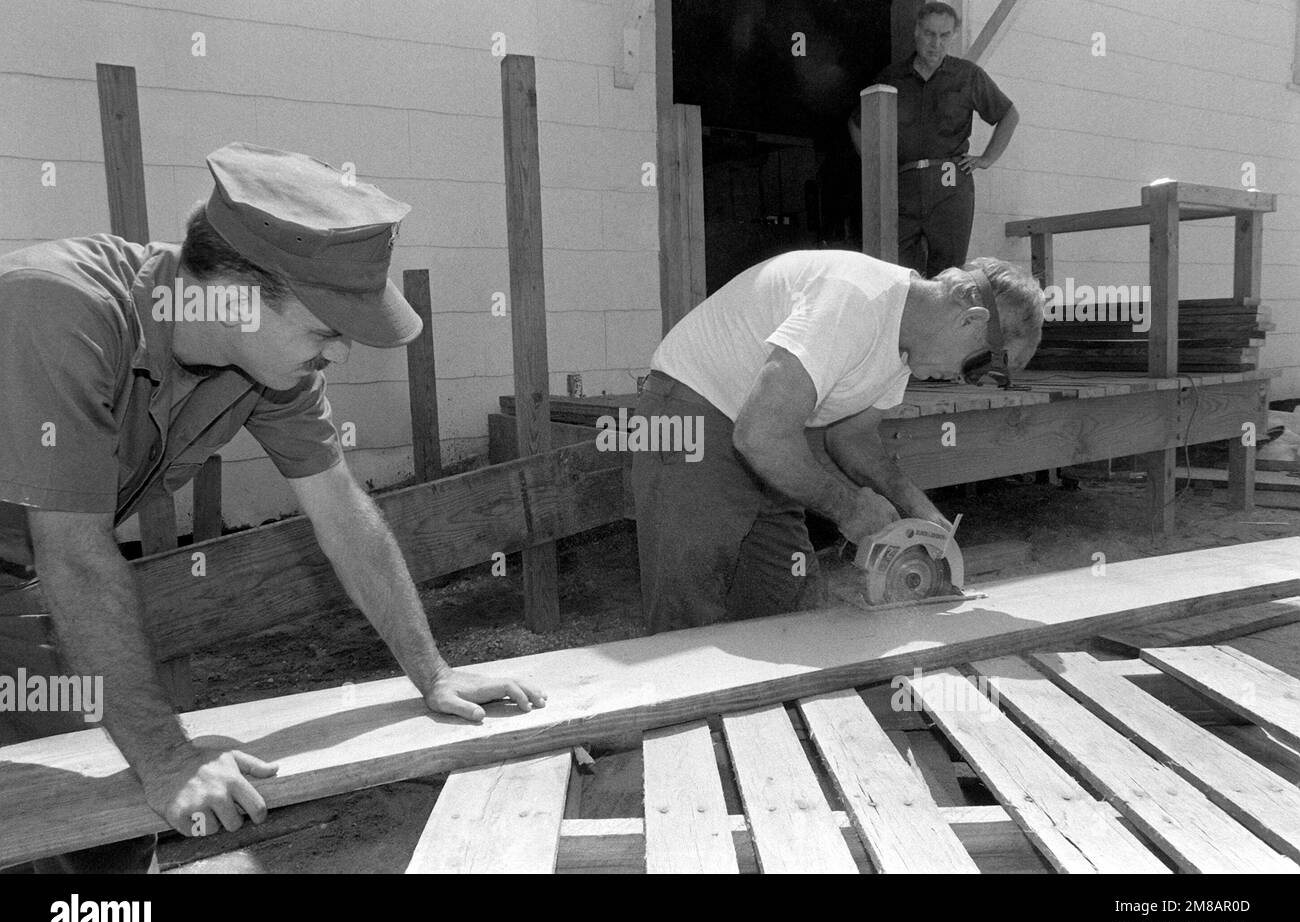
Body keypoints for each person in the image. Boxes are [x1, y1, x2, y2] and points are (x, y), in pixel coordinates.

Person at [0, 143, 545, 873]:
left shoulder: (270, 368)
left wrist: (434, 672)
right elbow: (74, 553)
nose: (340, 355)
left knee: (98, 839)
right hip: (47, 558)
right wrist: (168, 760)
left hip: (18, 571)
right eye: (326, 329)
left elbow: (343, 517)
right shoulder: (57, 308)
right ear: (236, 289)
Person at [632, 249, 1043, 634]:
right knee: (687, 620)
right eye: (978, 366)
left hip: (764, 433)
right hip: (693, 420)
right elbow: (760, 436)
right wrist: (848, 506)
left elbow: (853, 438)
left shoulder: (907, 345)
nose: (962, 378)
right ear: (969, 319)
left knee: (790, 603)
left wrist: (919, 509)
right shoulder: (856, 301)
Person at [849, 2, 1019, 277]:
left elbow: (1009, 114)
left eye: (944, 36)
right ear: (916, 31)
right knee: (897, 274)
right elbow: (857, 124)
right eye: (929, 34)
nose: (936, 43)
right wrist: (876, 167)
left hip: (950, 186)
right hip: (902, 186)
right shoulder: (892, 77)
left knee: (949, 275)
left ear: (952, 36)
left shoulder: (968, 75)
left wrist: (986, 159)